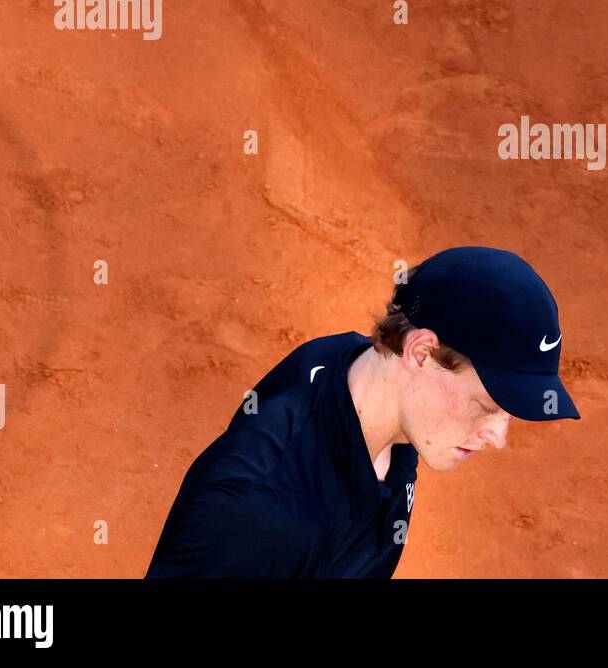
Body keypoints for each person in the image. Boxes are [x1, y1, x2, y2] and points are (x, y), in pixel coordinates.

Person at [145, 246, 580, 578]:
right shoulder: (257, 515)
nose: (498, 437)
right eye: (485, 407)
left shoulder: (385, 404)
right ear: (422, 352)